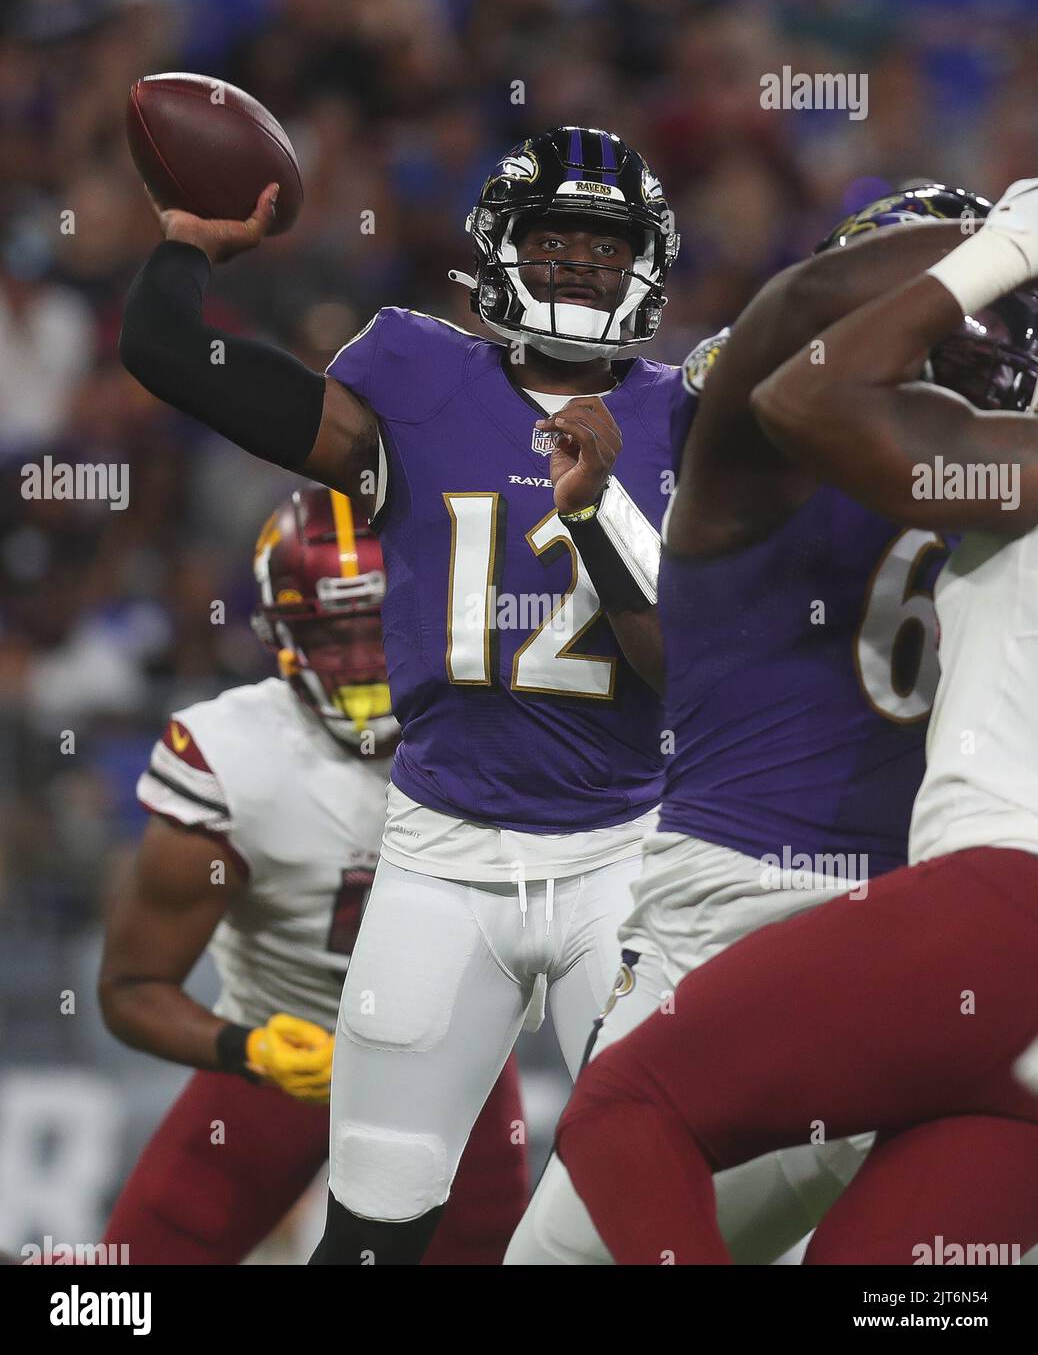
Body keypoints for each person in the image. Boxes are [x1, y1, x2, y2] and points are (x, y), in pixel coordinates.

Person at [119, 126, 691, 1263]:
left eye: (603, 244)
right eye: (555, 238)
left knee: (674, 1207)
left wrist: (602, 515)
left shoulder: (693, 418)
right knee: (376, 1227)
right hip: (441, 851)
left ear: (649, 263)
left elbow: (685, 667)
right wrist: (186, 244)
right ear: (499, 249)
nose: (579, 263)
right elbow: (172, 353)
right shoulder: (419, 383)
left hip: (625, 853)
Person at [507, 183, 1038, 1263]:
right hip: (937, 954)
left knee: (610, 1159)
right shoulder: (988, 474)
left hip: (779, 929)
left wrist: (996, 243)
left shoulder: (821, 431)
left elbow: (794, 345)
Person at [99, 486, 527, 1265]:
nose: (364, 662)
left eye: (380, 629)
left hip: (453, 1072)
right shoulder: (235, 759)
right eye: (333, 637)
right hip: (288, 1051)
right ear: (278, 634)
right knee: (119, 1295)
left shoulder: (511, 722)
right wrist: (248, 1049)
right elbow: (130, 991)